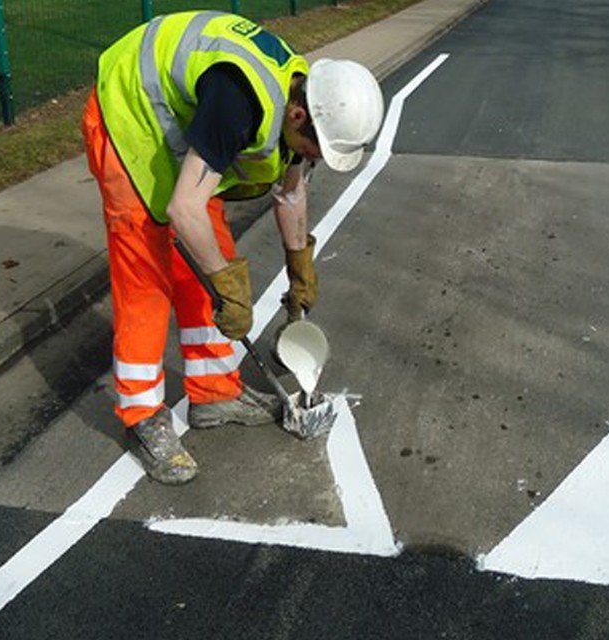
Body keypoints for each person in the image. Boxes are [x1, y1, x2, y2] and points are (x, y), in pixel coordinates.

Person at [81, 10, 384, 484]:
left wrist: (299, 265)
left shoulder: (302, 103)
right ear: (299, 115)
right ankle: (143, 415)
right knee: (147, 269)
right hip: (130, 112)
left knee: (211, 249)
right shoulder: (239, 103)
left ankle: (214, 393)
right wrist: (227, 283)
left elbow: (291, 190)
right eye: (314, 149)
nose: (311, 158)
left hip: (178, 126)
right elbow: (184, 209)